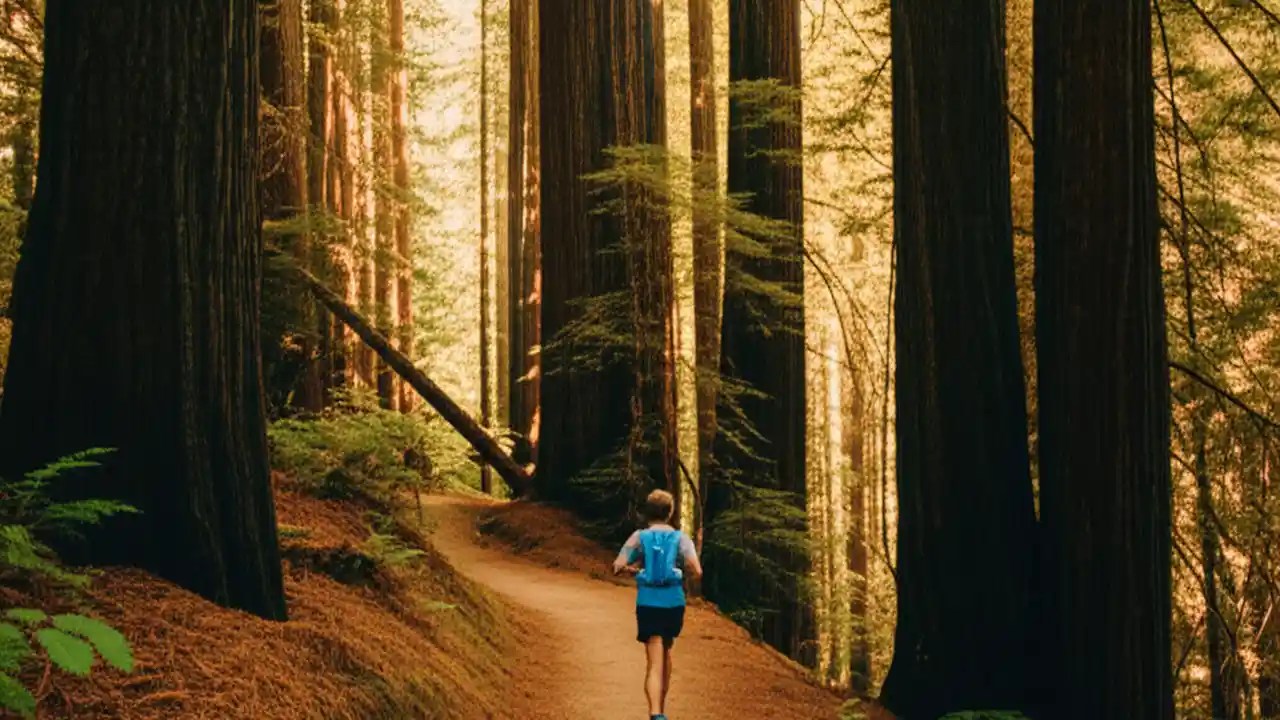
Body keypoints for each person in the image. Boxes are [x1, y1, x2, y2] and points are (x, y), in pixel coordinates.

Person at [612, 489, 702, 720]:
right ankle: (661, 707)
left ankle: (655, 713)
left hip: (648, 603)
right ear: (670, 513)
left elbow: (617, 566)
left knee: (653, 660)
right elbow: (696, 570)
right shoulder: (681, 539)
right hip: (674, 603)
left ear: (647, 512)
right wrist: (679, 573)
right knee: (666, 650)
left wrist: (637, 571)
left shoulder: (639, 538)